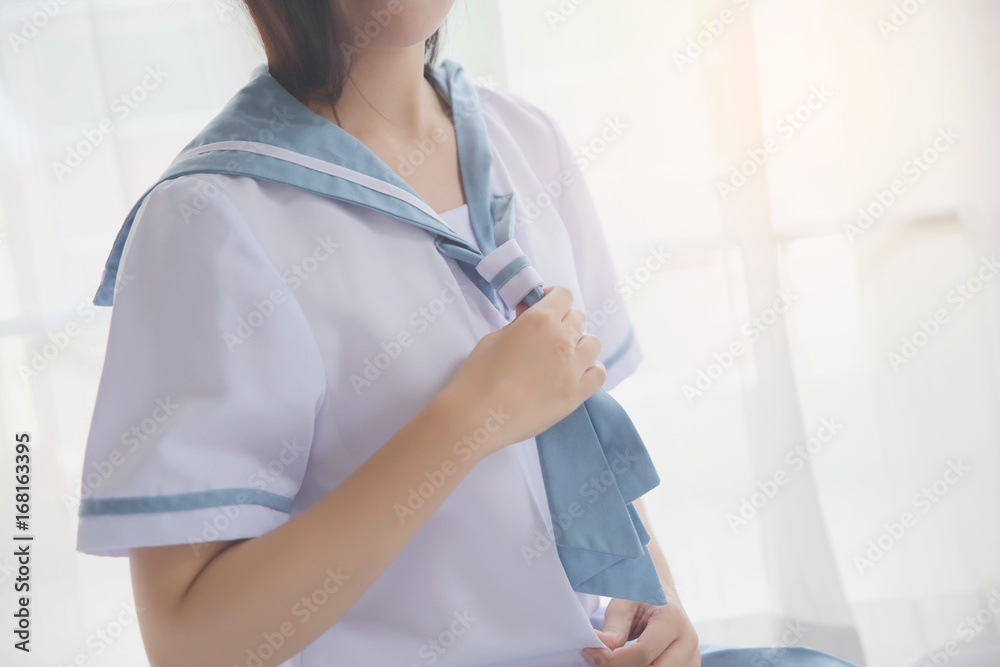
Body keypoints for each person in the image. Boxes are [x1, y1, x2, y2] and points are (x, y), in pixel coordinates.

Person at [75, 2, 861, 666]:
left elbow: (584, 429)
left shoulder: (526, 137)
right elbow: (190, 640)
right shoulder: (208, 220)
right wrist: (468, 421)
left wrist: (654, 600)